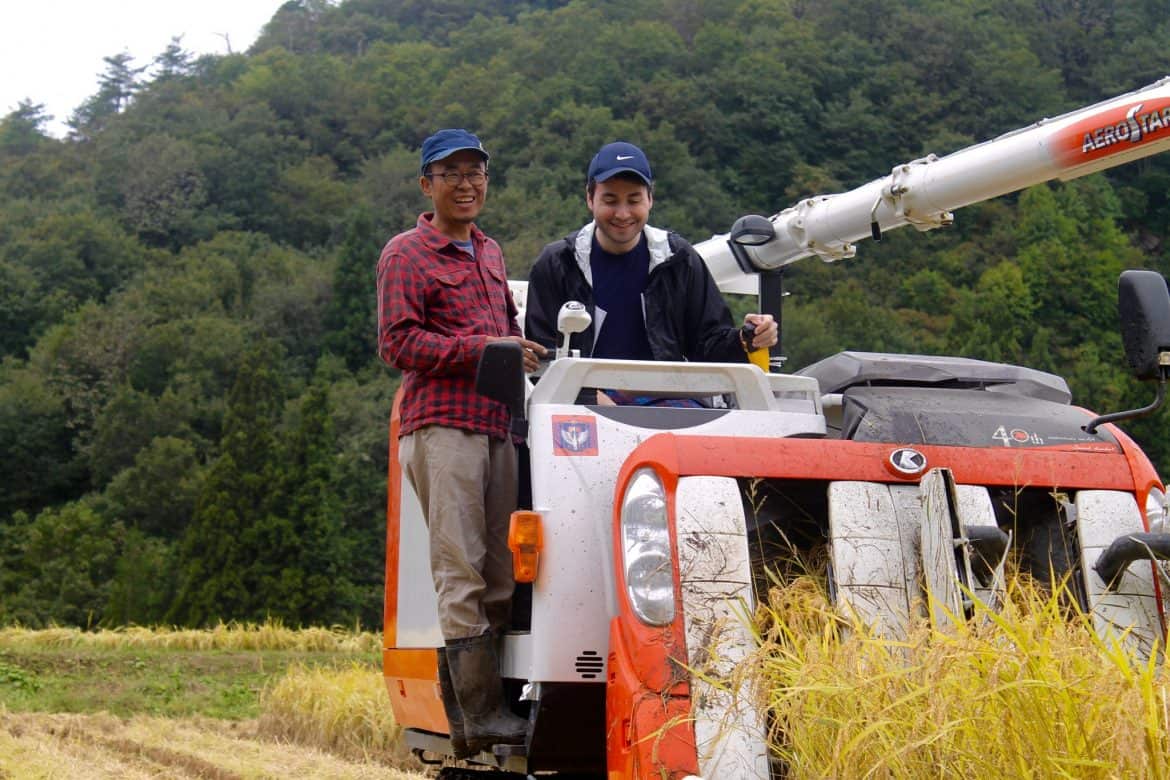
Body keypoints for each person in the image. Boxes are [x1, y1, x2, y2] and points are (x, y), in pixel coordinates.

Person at [376, 128, 546, 759]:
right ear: (427, 184)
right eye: (451, 173)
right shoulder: (405, 253)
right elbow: (397, 343)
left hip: (498, 424)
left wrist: (522, 350)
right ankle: (478, 714)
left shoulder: (491, 252)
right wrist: (484, 349)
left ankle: (481, 718)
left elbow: (505, 327)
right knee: (461, 568)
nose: (467, 184)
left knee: (501, 573)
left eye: (476, 172)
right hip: (442, 426)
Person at [524, 141, 777, 403]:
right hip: (580, 404)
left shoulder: (679, 259)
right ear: (590, 199)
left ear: (650, 199)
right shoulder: (558, 262)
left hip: (665, 398)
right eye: (610, 200)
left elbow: (707, 345)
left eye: (634, 200)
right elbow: (543, 357)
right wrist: (590, 398)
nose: (623, 213)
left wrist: (747, 338)